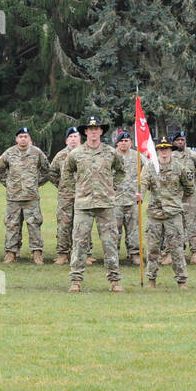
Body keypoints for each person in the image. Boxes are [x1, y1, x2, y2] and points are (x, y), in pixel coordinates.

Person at [66, 116, 126, 293]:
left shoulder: (110, 152)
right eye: (90, 129)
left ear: (101, 131)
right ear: (85, 132)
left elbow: (121, 172)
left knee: (110, 243)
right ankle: (76, 281)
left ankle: (114, 281)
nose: (93, 131)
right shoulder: (76, 154)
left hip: (105, 205)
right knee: (79, 243)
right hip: (83, 205)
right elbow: (67, 174)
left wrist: (111, 188)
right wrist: (76, 191)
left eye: (97, 128)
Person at [0, 127, 49, 264]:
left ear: (29, 138)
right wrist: (9, 183)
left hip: (31, 197)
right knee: (12, 225)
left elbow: (47, 170)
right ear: (16, 139)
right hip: (14, 198)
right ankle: (11, 253)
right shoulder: (9, 153)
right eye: (20, 136)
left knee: (34, 225)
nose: (23, 139)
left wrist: (35, 183)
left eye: (25, 136)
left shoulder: (37, 152)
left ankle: (37, 253)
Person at [141, 138, 193, 288]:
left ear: (171, 150)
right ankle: (151, 279)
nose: (164, 152)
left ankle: (182, 281)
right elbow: (143, 184)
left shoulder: (179, 167)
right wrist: (140, 195)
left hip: (173, 215)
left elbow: (189, 188)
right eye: (161, 149)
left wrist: (176, 201)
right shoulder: (150, 167)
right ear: (157, 151)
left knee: (177, 249)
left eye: (167, 149)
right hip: (155, 215)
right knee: (153, 249)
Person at [166, 127, 196, 264]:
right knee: (173, 226)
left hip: (189, 197)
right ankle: (172, 253)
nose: (180, 142)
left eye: (182, 140)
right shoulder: (169, 156)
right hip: (174, 196)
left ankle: (195, 252)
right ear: (173, 142)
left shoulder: (192, 155)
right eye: (178, 140)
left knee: (192, 225)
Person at [50, 126, 82, 264]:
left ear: (80, 139)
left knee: (82, 225)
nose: (73, 139)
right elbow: (52, 173)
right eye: (70, 137)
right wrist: (62, 185)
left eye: (76, 136)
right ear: (66, 140)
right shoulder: (61, 155)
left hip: (83, 195)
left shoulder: (85, 153)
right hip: (66, 196)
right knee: (64, 224)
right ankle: (63, 253)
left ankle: (83, 253)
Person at [110, 130, 143, 266]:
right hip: (115, 200)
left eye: (126, 141)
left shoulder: (138, 157)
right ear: (117, 143)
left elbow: (147, 173)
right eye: (121, 141)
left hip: (132, 200)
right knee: (114, 229)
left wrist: (141, 192)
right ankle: (114, 255)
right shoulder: (111, 156)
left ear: (131, 142)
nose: (124, 143)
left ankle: (135, 253)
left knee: (134, 229)